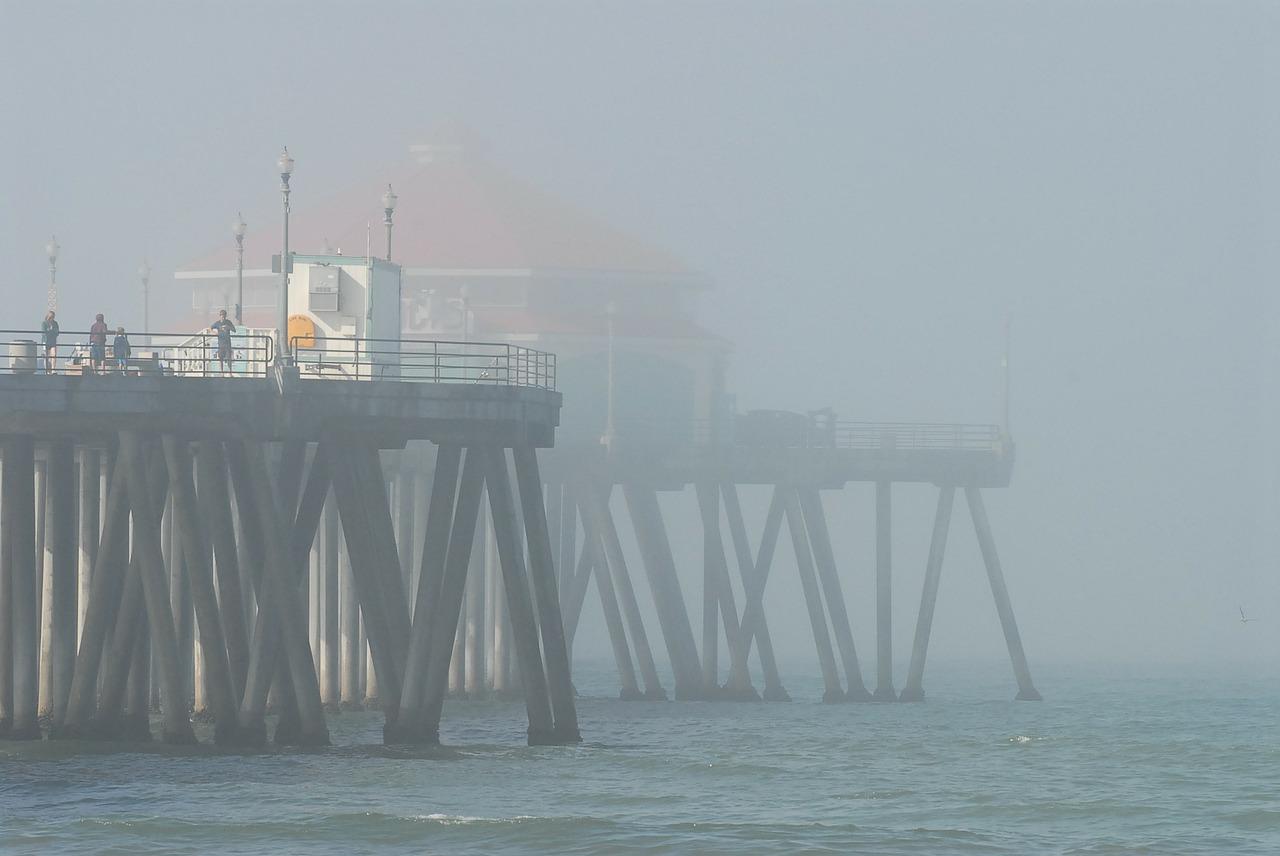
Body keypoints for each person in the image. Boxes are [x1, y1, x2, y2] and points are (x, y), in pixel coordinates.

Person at [210, 309, 236, 375]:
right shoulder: (217, 323)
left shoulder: (228, 322)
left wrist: (228, 327)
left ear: (226, 316)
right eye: (222, 315)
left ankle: (230, 372)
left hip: (227, 343)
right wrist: (214, 332)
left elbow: (234, 330)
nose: (223, 317)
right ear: (220, 316)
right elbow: (210, 328)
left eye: (224, 315)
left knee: (228, 358)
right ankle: (222, 372)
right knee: (220, 358)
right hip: (221, 343)